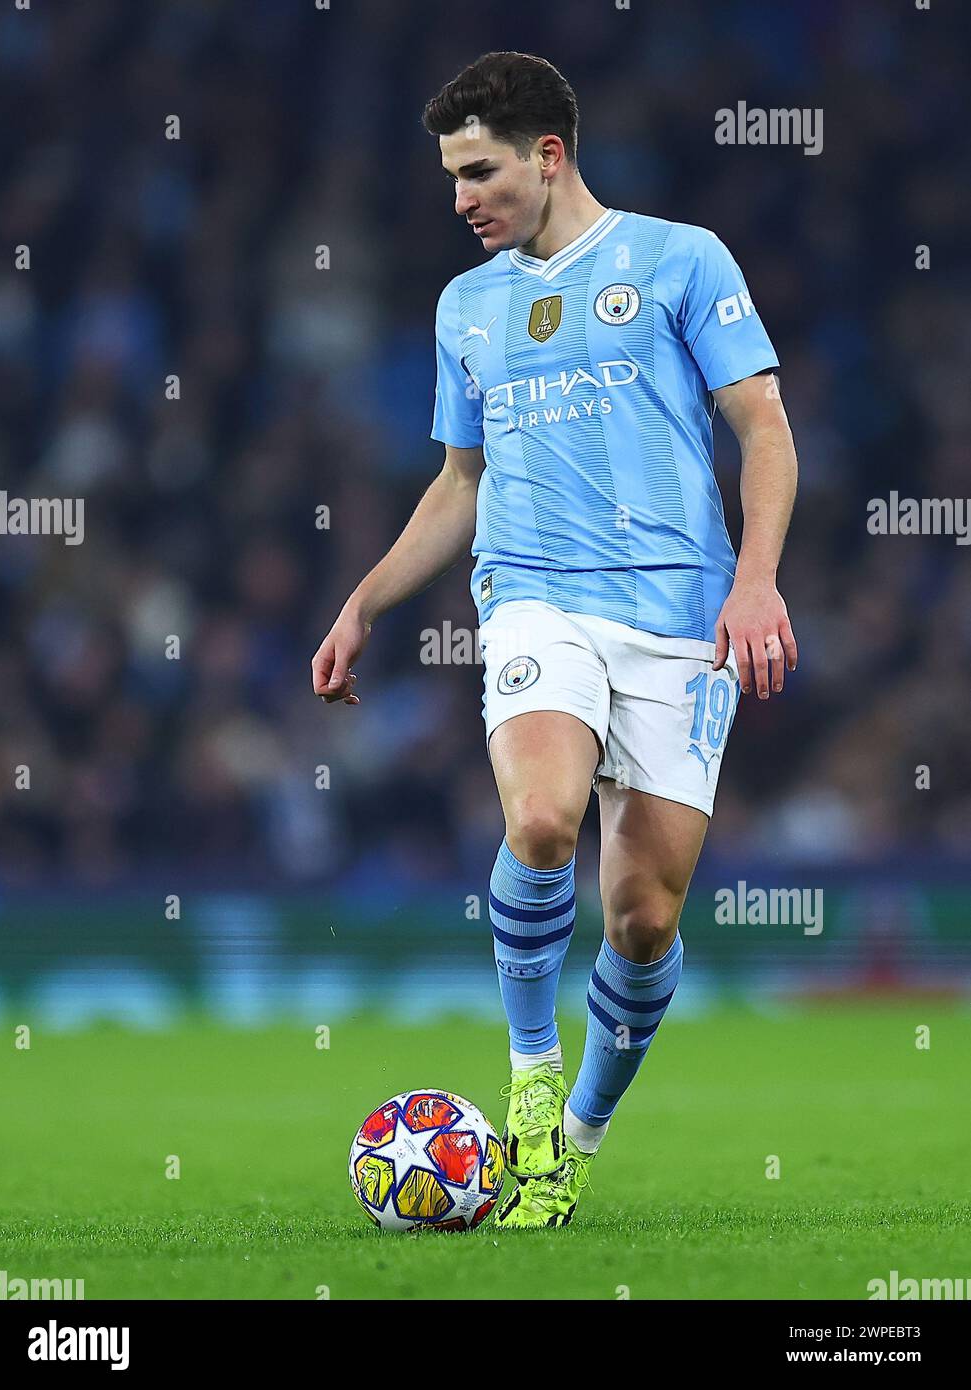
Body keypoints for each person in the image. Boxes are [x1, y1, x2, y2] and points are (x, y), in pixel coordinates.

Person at [312, 51, 798, 1229]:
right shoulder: (464, 306)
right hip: (534, 597)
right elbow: (459, 481)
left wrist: (757, 584)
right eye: (449, 178)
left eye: (477, 171)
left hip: (680, 620)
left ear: (548, 153)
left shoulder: (679, 259)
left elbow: (765, 427)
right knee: (539, 818)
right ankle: (529, 1076)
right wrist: (365, 599)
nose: (461, 198)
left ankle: (573, 1137)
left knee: (643, 916)